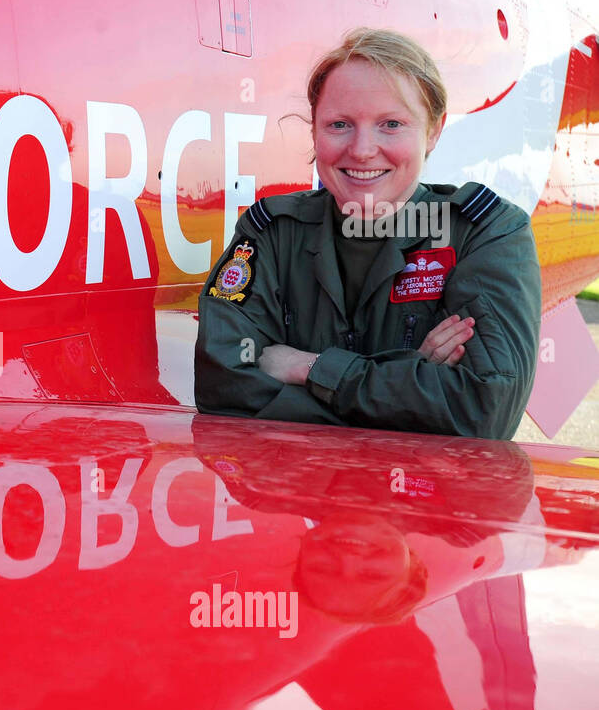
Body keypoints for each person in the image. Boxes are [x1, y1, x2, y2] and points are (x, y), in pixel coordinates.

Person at [194, 27, 541, 439]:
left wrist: (310, 368)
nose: (361, 150)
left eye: (391, 124)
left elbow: (484, 411)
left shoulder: (484, 233)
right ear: (315, 131)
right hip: (292, 497)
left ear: (433, 130)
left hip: (423, 501)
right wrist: (409, 379)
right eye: (339, 124)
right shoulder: (272, 232)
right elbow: (222, 387)